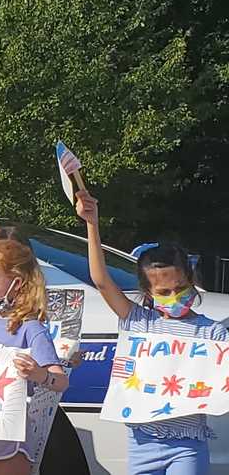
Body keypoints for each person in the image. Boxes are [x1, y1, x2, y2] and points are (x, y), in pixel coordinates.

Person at [78, 190, 225, 475]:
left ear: (192, 280)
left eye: (180, 288)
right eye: (164, 292)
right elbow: (101, 280)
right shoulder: (138, 322)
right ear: (148, 292)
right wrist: (92, 224)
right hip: (141, 444)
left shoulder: (212, 332)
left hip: (187, 445)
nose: (174, 295)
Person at [0, 237, 68, 475]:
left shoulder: (30, 327)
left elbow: (60, 381)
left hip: (9, 426)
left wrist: (39, 374)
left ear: (16, 282)